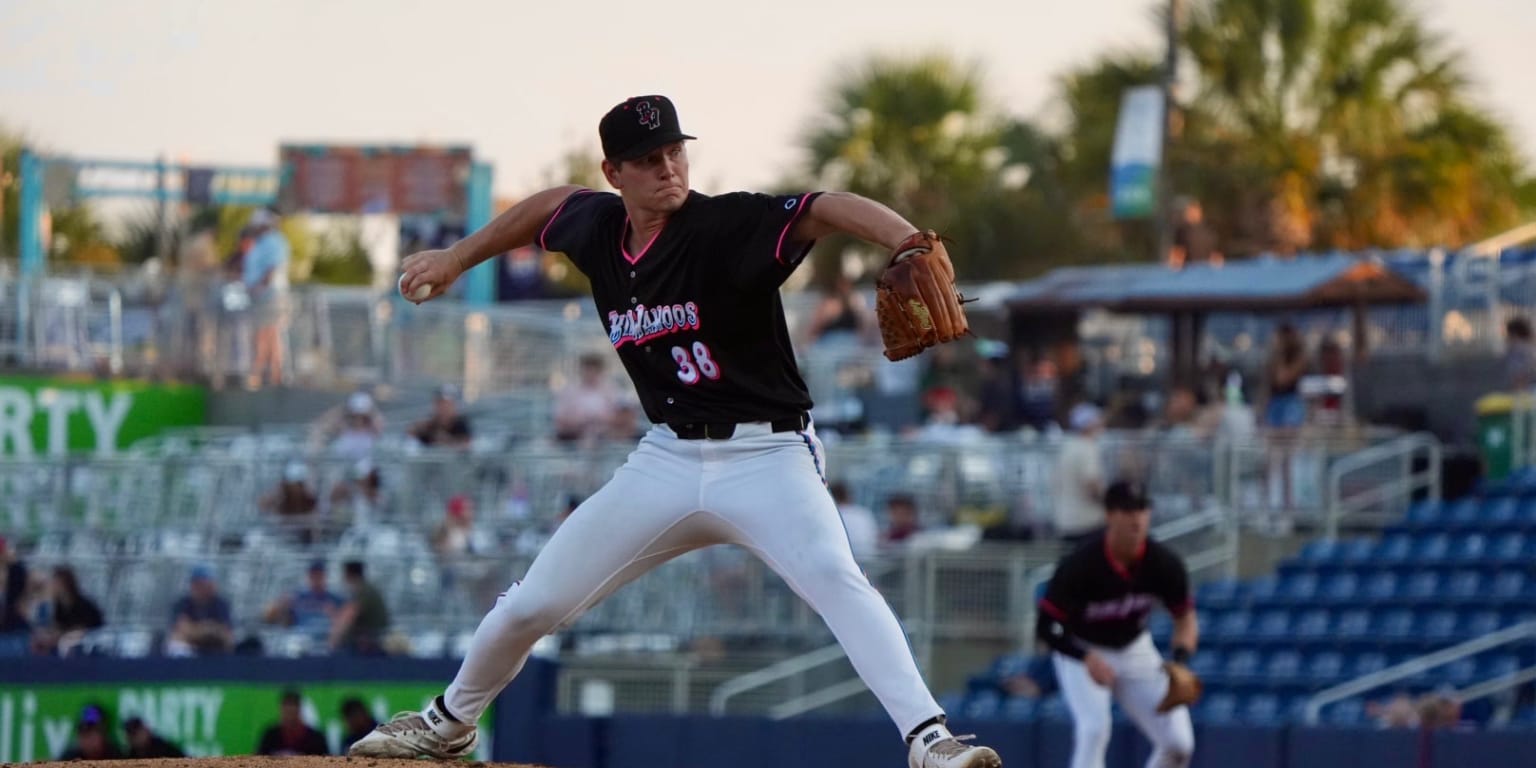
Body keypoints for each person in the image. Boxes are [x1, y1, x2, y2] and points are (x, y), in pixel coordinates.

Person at [349, 93, 1001, 768]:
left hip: (767, 454)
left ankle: (931, 740)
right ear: (614, 173)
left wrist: (905, 238)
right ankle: (447, 722)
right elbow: (549, 206)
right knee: (530, 604)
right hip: (665, 460)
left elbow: (821, 207)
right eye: (647, 159)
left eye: (673, 152)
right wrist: (458, 257)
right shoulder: (598, 228)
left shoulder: (725, 223)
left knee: (837, 580)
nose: (667, 168)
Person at [1036, 480, 1198, 768]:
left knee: (1179, 744)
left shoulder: (1163, 563)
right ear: (1110, 515)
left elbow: (1185, 619)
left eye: (1142, 509)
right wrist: (1085, 657)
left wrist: (1181, 661)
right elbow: (1046, 627)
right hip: (1081, 647)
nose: (1137, 517)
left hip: (1134, 648)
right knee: (1094, 729)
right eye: (1128, 510)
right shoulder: (1082, 564)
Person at [241, 208, 291, 389]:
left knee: (268, 334)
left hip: (270, 295)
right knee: (265, 334)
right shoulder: (259, 243)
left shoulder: (274, 242)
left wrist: (258, 286)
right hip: (260, 295)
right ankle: (267, 374)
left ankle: (264, 374)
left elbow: (272, 268)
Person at [256, 689, 329, 756]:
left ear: (300, 708)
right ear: (281, 707)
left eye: (293, 704)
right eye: (287, 704)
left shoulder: (316, 738)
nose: (290, 709)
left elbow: (328, 762)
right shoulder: (270, 735)